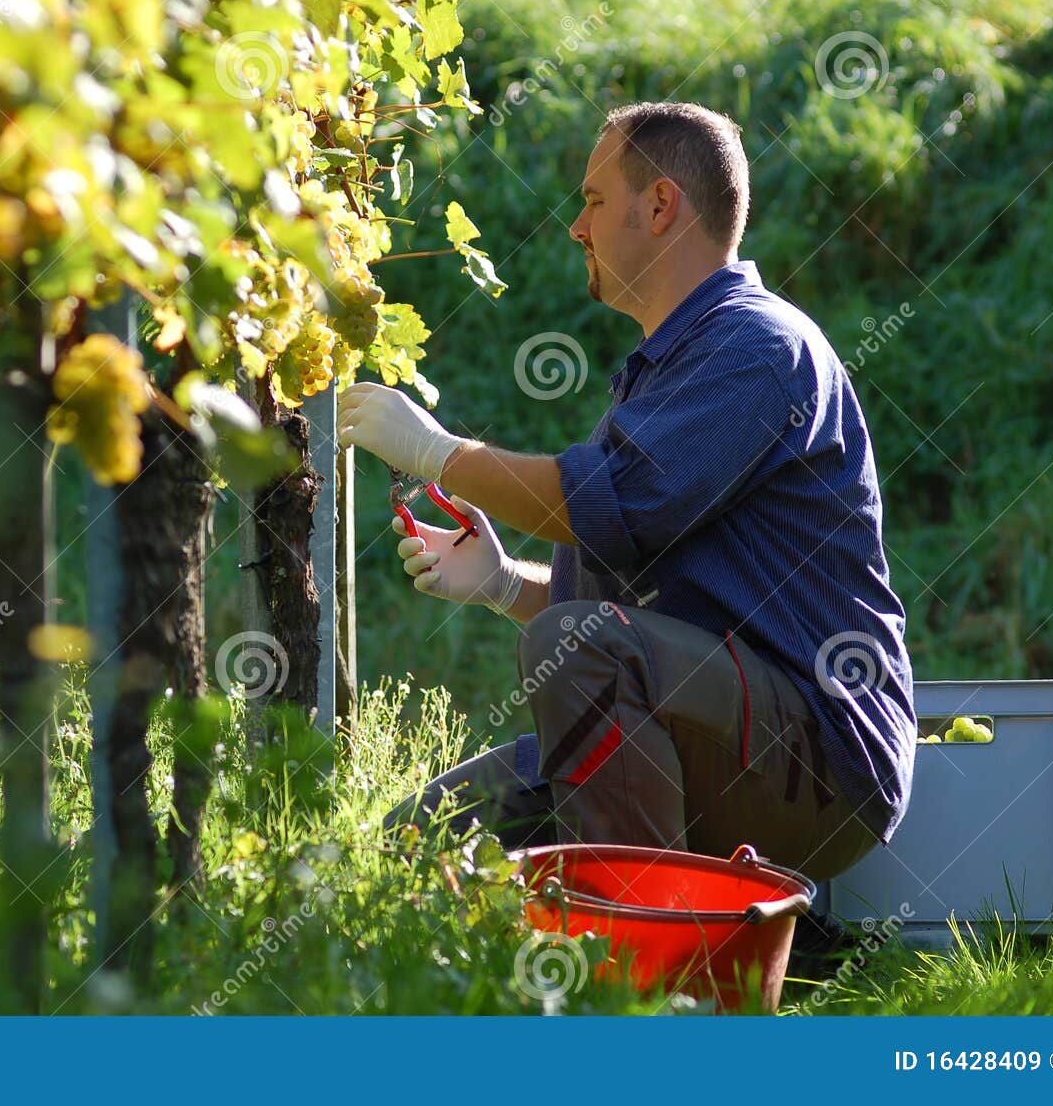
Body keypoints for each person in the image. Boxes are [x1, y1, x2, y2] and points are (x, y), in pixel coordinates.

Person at [336, 101, 915, 882]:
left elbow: (610, 519)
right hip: (722, 730)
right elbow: (641, 616)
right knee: (405, 852)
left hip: (818, 759)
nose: (577, 226)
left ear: (661, 204)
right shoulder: (667, 368)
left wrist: (436, 452)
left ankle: (652, 969)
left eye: (594, 199)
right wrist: (507, 585)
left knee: (577, 648)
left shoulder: (757, 348)